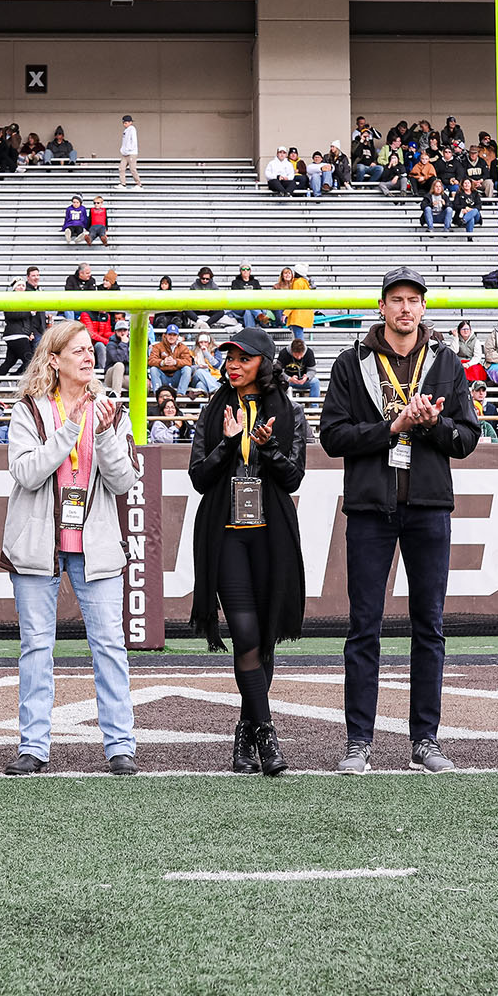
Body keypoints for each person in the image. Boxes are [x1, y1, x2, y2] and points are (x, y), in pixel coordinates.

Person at [319, 268, 481, 774]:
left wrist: (433, 425)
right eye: (396, 299)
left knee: (429, 626)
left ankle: (425, 740)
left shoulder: (446, 361)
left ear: (423, 307)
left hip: (429, 508)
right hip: (371, 509)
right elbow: (332, 437)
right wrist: (392, 427)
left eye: (413, 299)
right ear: (382, 307)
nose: (405, 308)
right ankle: (358, 741)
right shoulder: (351, 363)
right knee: (363, 626)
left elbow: (467, 439)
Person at [1, 322, 139, 775]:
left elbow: (123, 481)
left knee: (109, 646)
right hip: (38, 545)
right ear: (54, 359)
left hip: (94, 544)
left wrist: (102, 433)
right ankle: (33, 746)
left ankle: (120, 746)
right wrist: (71, 428)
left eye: (90, 349)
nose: (88, 357)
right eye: (77, 350)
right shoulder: (28, 410)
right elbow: (26, 473)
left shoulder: (112, 408)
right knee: (36, 648)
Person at [187, 326, 306, 776]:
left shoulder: (290, 410)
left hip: (272, 533)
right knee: (246, 635)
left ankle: (245, 730)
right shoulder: (213, 408)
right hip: (225, 533)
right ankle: (267, 734)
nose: (233, 365)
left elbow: (293, 477)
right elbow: (199, 477)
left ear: (264, 363)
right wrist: (226, 442)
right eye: (230, 357)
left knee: (265, 638)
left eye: (244, 357)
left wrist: (266, 445)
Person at [118, 113, 142, 189]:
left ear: (130, 122)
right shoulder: (126, 130)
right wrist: (123, 150)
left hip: (131, 153)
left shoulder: (132, 129)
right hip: (125, 154)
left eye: (126, 123)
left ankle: (139, 184)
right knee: (121, 168)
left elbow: (133, 141)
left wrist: (130, 149)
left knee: (132, 169)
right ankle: (123, 184)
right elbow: (124, 142)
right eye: (124, 123)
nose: (124, 124)